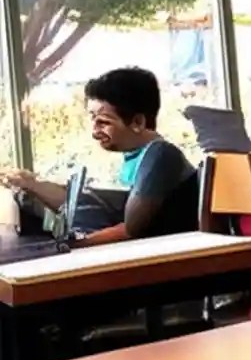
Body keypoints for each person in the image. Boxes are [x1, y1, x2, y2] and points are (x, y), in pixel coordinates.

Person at [0, 67, 198, 246]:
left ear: (137, 122)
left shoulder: (160, 156)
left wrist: (76, 246)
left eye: (103, 122)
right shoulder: (135, 157)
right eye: (93, 120)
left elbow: (131, 230)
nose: (94, 132)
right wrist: (31, 184)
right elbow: (82, 202)